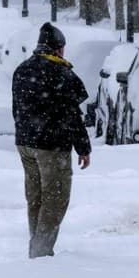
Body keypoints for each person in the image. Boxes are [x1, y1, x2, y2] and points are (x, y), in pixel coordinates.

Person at [11, 22, 91, 258]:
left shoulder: (22, 69)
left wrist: (24, 133)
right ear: (58, 48)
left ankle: (36, 245)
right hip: (51, 146)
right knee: (55, 199)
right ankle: (41, 252)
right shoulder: (61, 73)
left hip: (25, 143)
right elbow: (72, 115)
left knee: (35, 198)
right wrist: (83, 147)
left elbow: (16, 108)